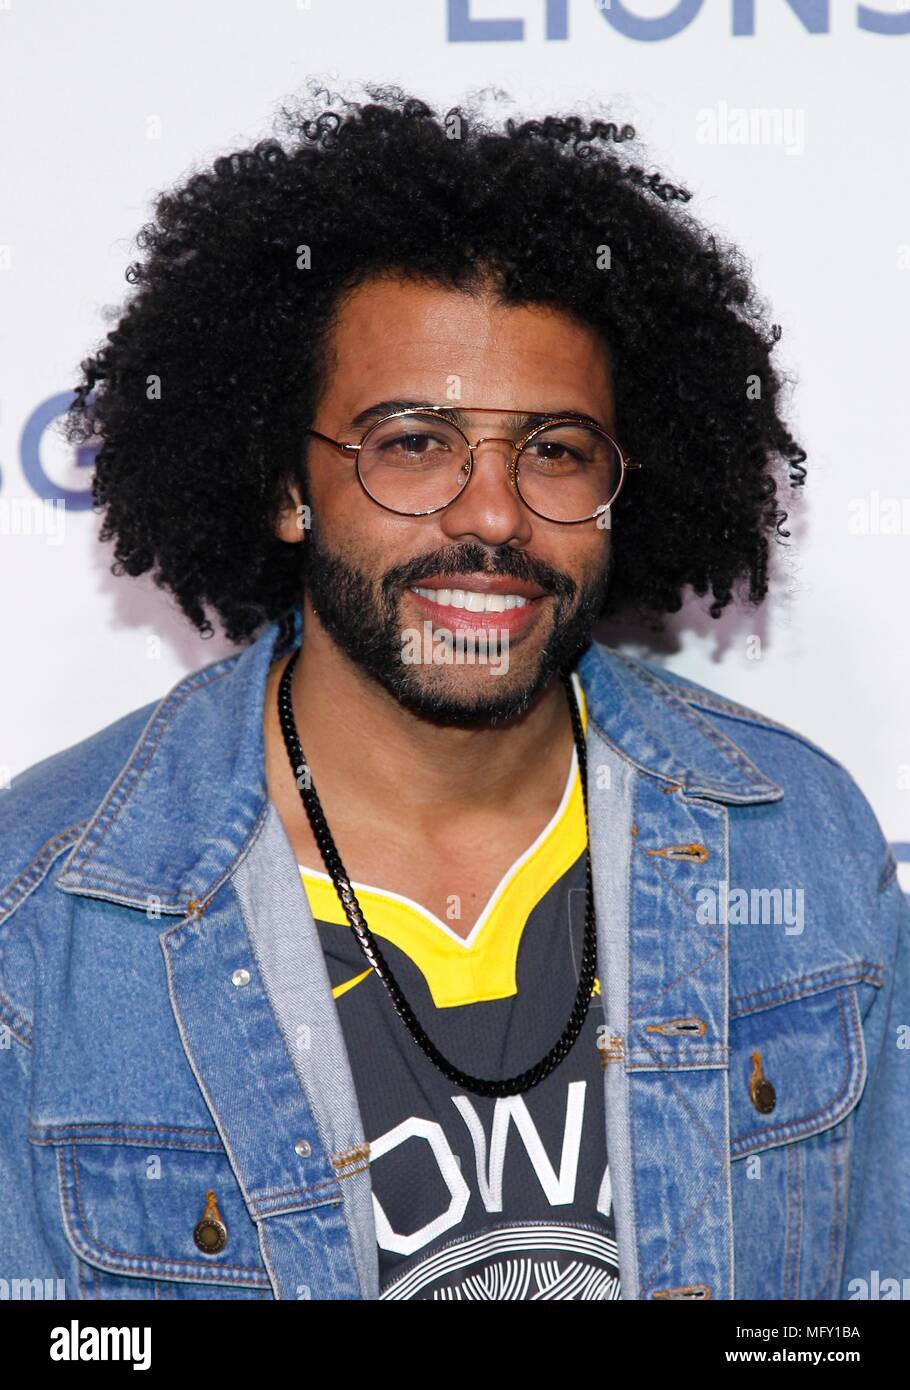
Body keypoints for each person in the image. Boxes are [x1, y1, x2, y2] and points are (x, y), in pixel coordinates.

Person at [1, 84, 907, 1303]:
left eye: (554, 449)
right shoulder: (53, 914)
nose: (492, 513)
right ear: (287, 488)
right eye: (413, 442)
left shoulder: (791, 836)